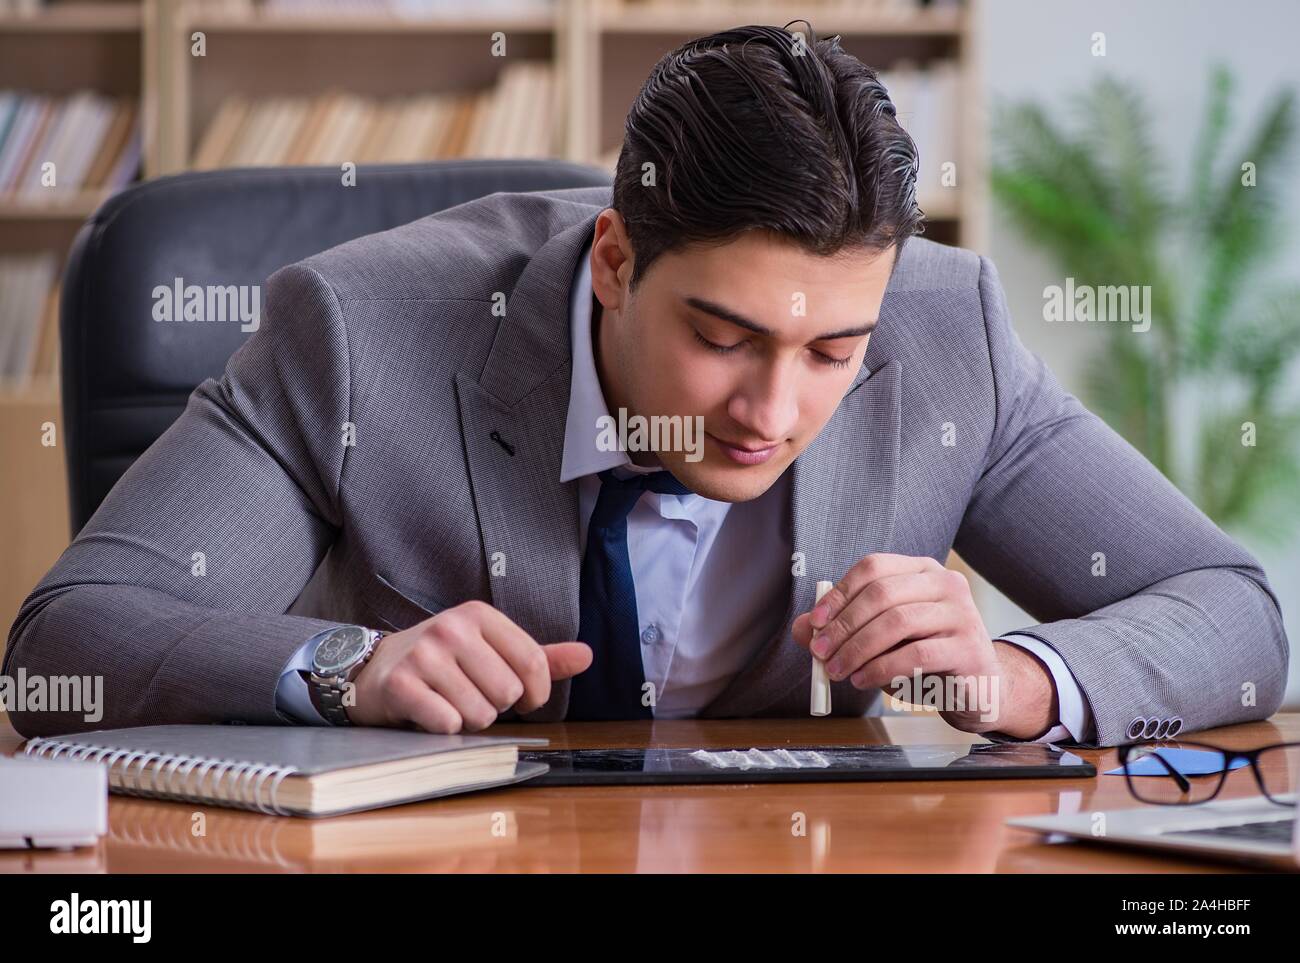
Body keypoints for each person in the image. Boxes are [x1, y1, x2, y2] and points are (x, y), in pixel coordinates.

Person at [5, 25, 1287, 746]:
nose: (773, 414)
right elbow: (64, 642)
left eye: (833, 353)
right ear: (614, 259)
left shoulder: (952, 334)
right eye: (724, 339)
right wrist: (350, 665)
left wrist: (1024, 677)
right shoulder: (352, 335)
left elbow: (1234, 610)